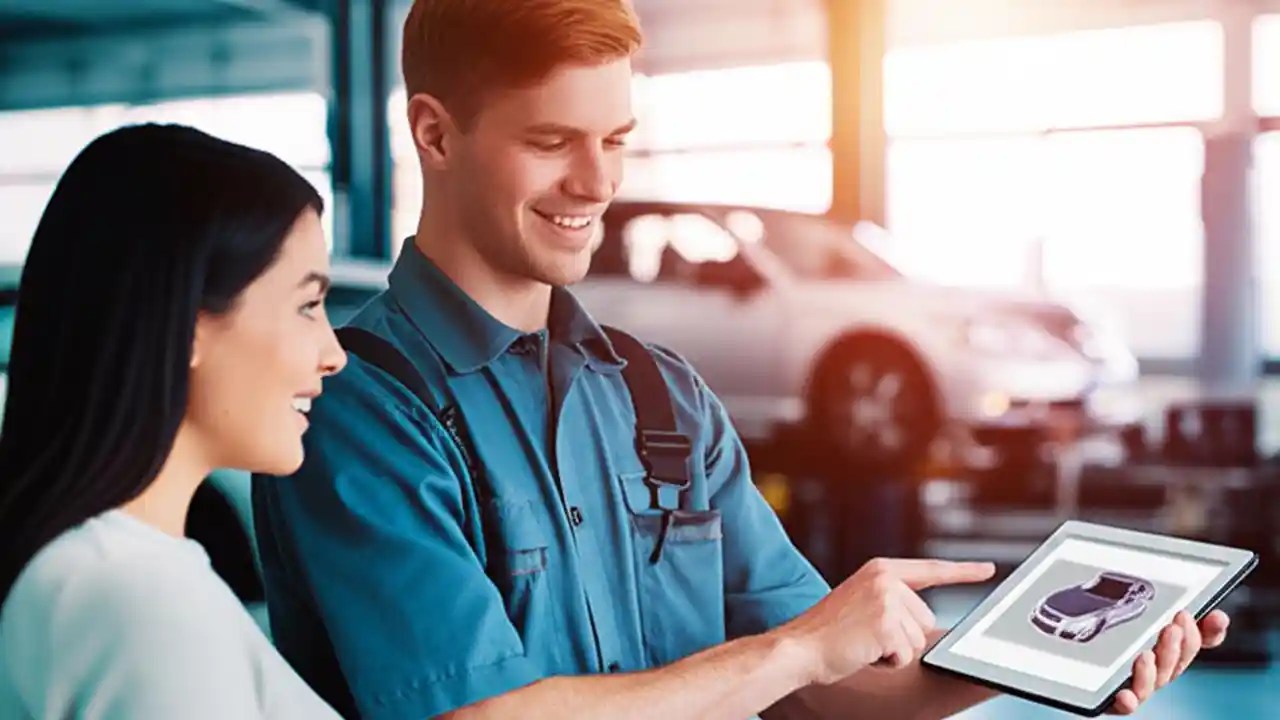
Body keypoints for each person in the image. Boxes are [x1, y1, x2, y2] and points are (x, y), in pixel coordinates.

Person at [252, 2, 1231, 719]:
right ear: (433, 133)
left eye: (616, 140)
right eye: (551, 142)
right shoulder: (353, 403)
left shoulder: (658, 395)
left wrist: (1042, 657)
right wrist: (798, 647)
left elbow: (825, 686)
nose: (595, 182)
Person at [0, 124, 348, 719]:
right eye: (307, 307)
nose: (333, 353)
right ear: (187, 324)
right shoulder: (136, 597)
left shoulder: (126, 575)